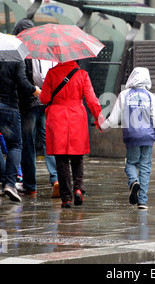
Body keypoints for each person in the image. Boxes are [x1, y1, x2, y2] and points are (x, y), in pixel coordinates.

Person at [100, 67, 155, 210]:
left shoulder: (124, 95)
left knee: (131, 164)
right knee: (145, 167)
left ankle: (133, 182)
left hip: (132, 137)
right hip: (148, 137)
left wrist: (103, 127)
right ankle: (142, 201)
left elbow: (113, 119)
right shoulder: (150, 96)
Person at [40, 59, 102, 208]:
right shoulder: (82, 74)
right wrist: (99, 119)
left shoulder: (52, 73)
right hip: (77, 117)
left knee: (61, 159)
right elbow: (92, 100)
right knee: (77, 156)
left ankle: (66, 198)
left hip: (57, 117)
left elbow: (44, 99)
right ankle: (78, 189)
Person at [0, 59, 41, 203]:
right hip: (9, 107)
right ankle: (10, 183)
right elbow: (22, 82)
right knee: (15, 145)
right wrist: (34, 90)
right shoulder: (16, 60)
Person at [12, 18, 59, 198]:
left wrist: (32, 91)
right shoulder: (45, 47)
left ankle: (30, 185)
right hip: (47, 101)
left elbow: (22, 80)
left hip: (29, 102)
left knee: (28, 145)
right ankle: (55, 179)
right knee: (49, 142)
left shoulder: (22, 51)